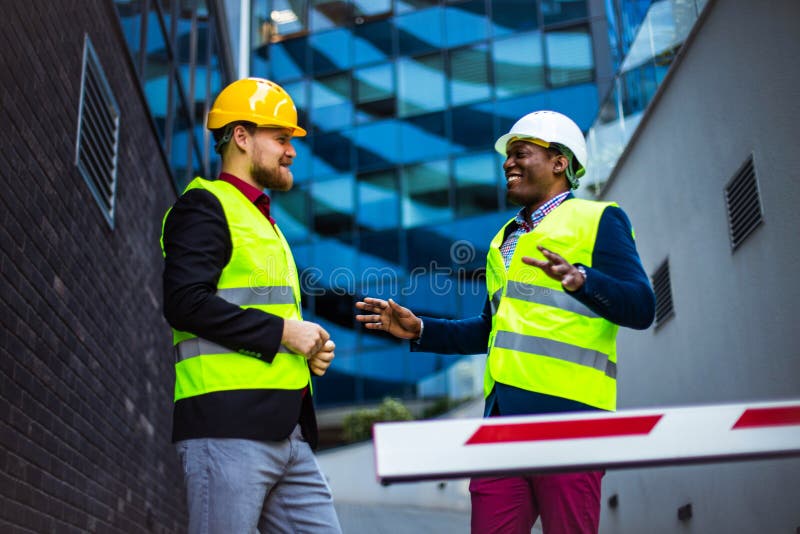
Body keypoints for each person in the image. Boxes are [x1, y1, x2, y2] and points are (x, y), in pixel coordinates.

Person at [356, 110, 655, 534]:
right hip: (501, 423)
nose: (508, 163)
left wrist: (582, 279)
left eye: (521, 153)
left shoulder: (599, 220)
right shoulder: (504, 240)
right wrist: (421, 328)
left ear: (559, 162)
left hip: (570, 421)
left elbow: (642, 307)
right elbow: (491, 329)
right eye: (507, 157)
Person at [161, 77, 342, 533]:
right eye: (281, 138)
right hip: (226, 429)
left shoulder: (268, 226)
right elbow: (184, 303)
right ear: (241, 136)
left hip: (289, 433)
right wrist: (284, 333)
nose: (292, 151)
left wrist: (307, 345)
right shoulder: (205, 206)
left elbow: (264, 309)